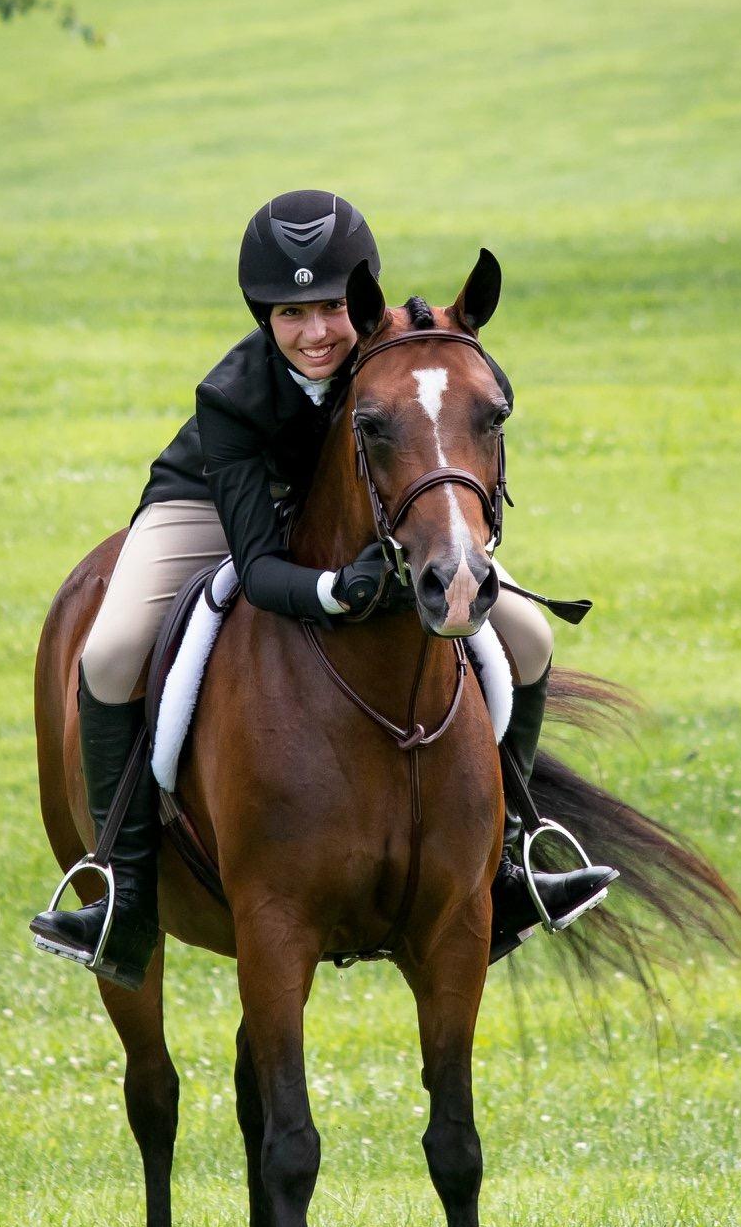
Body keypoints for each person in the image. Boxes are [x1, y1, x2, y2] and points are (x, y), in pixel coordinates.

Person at [31, 190, 616, 988]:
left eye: (333, 307)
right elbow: (263, 568)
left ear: (364, 301)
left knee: (532, 637)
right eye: (288, 314)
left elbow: (461, 402)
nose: (314, 333)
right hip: (215, 508)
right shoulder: (232, 397)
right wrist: (339, 591)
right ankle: (122, 894)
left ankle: (512, 859)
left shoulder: (402, 351)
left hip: (365, 513)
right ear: (262, 320)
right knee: (111, 652)